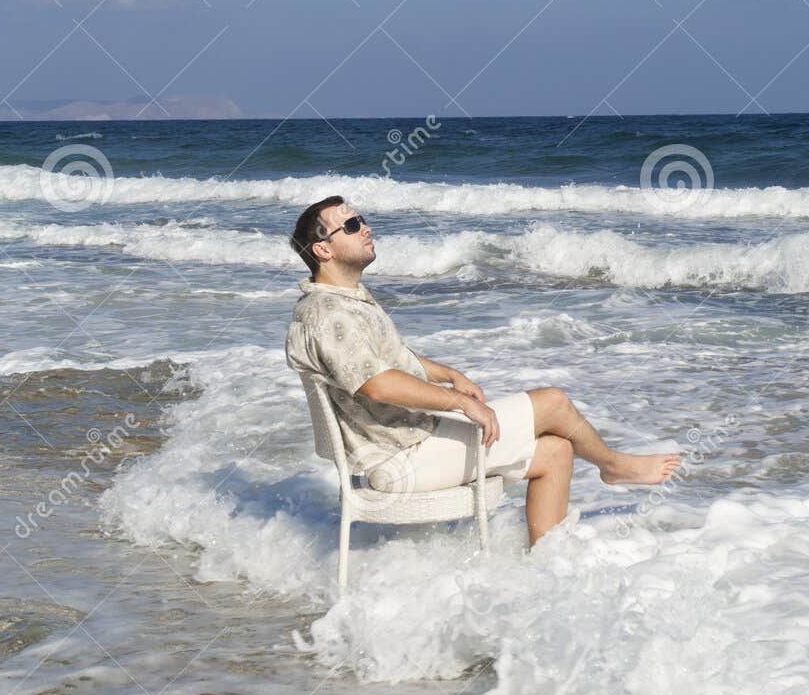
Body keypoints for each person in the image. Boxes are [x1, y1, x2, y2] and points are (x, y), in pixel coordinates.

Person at [285, 196, 680, 545]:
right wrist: (460, 403)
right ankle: (613, 466)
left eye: (362, 220)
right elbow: (378, 383)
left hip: (413, 441)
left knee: (556, 450)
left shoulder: (347, 301)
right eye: (352, 226)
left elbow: (391, 360)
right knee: (553, 403)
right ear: (323, 248)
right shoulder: (328, 314)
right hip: (398, 460)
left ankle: (545, 564)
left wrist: (449, 374)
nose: (366, 228)